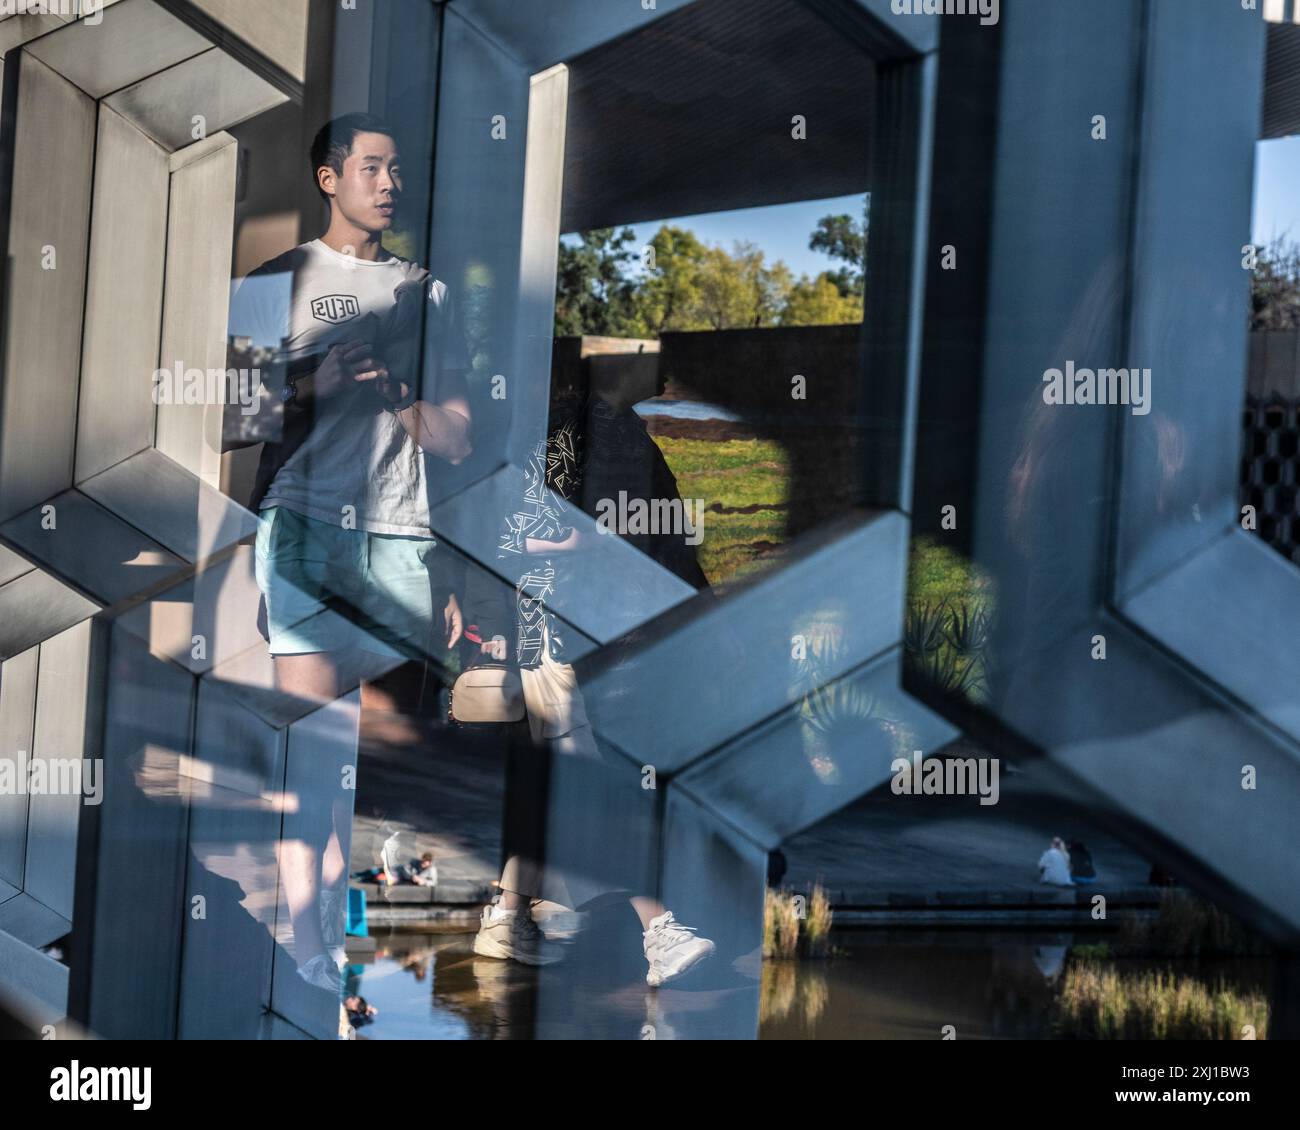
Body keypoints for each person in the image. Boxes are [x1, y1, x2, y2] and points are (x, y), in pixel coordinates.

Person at [224, 112, 472, 999]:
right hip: (301, 525)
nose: (389, 183)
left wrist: (395, 398)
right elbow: (227, 422)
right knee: (312, 750)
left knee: (347, 760)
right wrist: (313, 389)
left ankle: (326, 941)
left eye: (397, 168)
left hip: (400, 534)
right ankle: (312, 954)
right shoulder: (270, 283)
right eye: (371, 167)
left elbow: (452, 440)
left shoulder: (428, 293)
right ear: (328, 178)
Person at [464, 404, 715, 987]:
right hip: (556, 640)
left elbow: (664, 529)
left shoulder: (600, 429)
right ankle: (658, 931)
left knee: (562, 787)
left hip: (597, 641)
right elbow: (504, 538)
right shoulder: (534, 437)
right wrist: (586, 546)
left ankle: (504, 918)